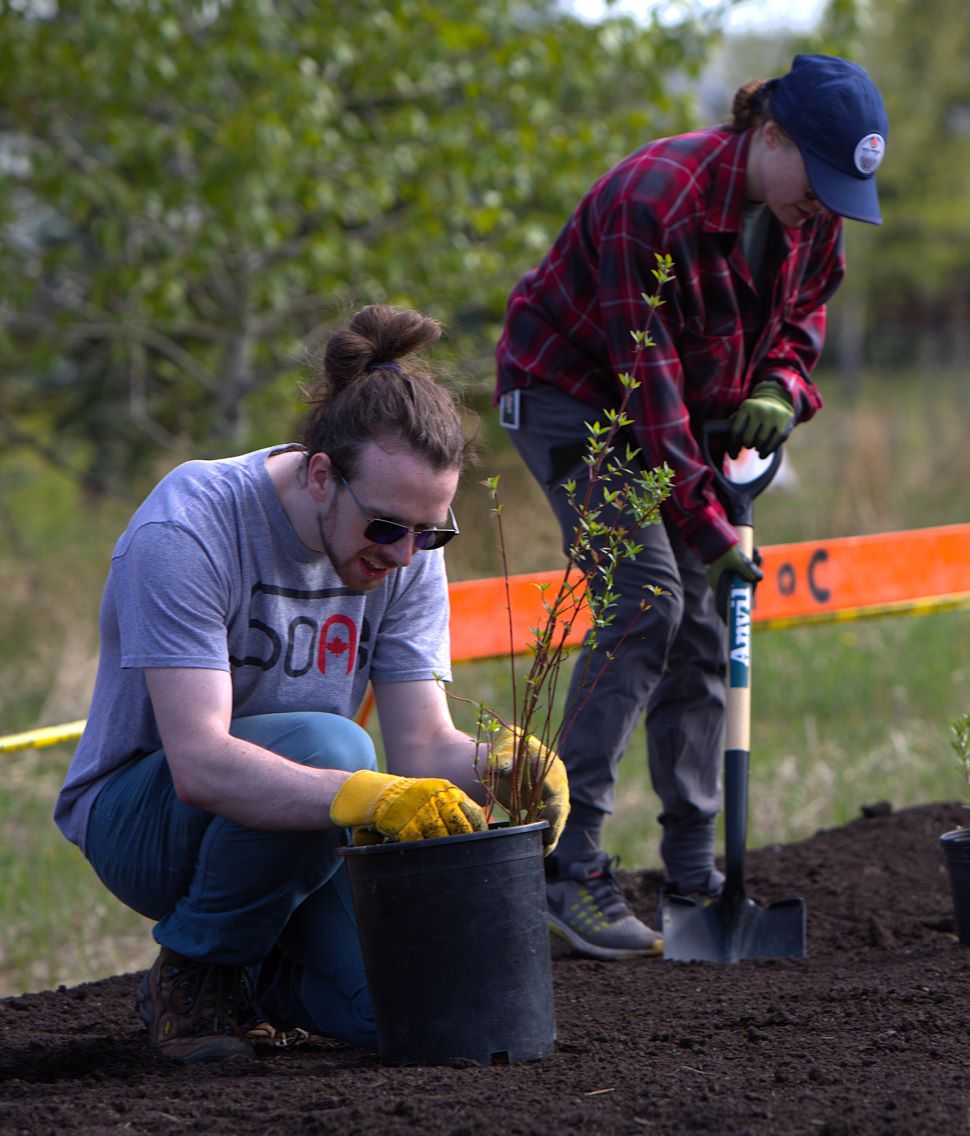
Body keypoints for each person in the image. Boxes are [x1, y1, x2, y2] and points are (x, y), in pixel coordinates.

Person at [54, 304, 568, 1062]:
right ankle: (197, 970)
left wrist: (499, 766)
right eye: (389, 529)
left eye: (432, 533)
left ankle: (259, 974)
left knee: (420, 1006)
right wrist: (365, 792)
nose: (405, 554)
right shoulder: (191, 526)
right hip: (147, 818)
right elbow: (198, 764)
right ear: (322, 474)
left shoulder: (408, 545)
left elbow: (423, 743)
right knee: (333, 740)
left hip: (307, 824)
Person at [494, 54, 888, 960]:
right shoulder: (655, 200)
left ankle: (693, 875)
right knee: (648, 600)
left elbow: (802, 320)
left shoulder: (811, 215)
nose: (826, 207)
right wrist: (712, 530)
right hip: (575, 397)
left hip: (684, 412)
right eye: (819, 180)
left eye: (841, 192)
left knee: (707, 626)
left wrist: (784, 390)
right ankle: (566, 864)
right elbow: (649, 392)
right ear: (772, 132)